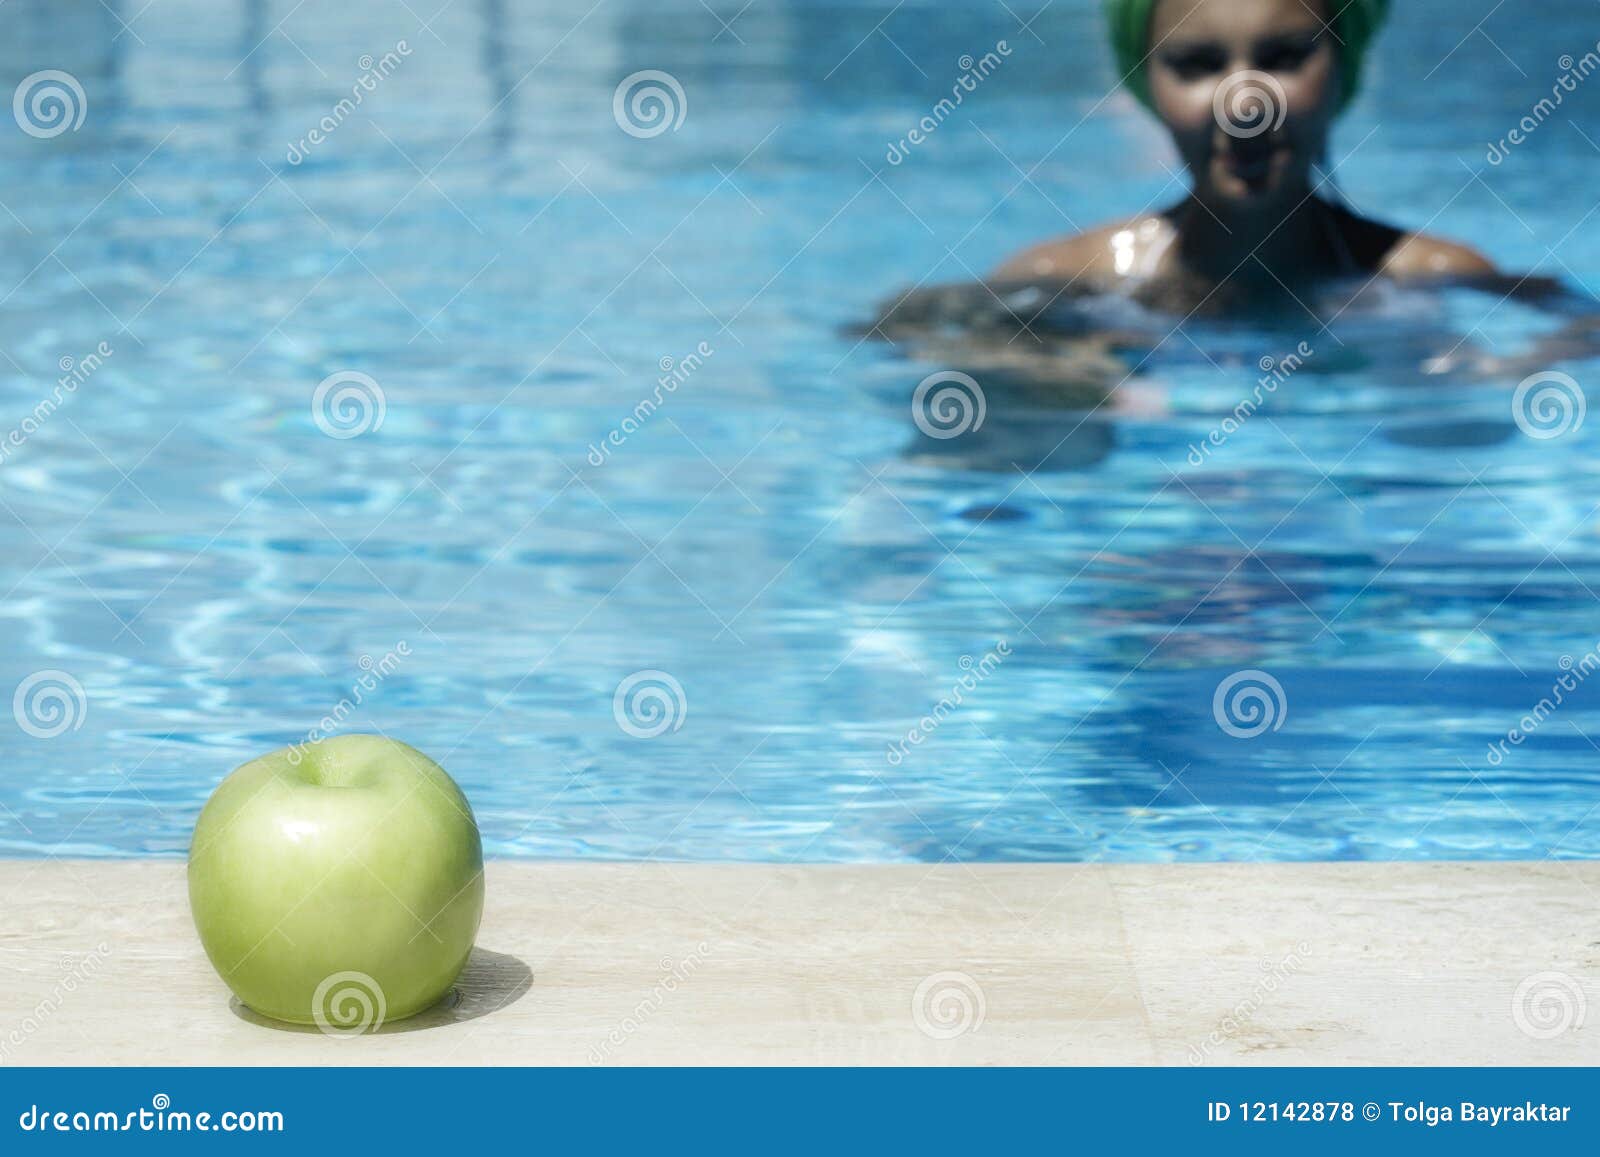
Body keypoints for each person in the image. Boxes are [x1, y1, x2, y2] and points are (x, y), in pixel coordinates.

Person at [992, 0, 1496, 311]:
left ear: (1343, 63)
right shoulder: (1062, 281)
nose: (1244, 106)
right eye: (1197, 65)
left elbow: (1570, 341)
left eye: (1283, 57)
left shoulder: (1439, 277)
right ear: (1145, 81)